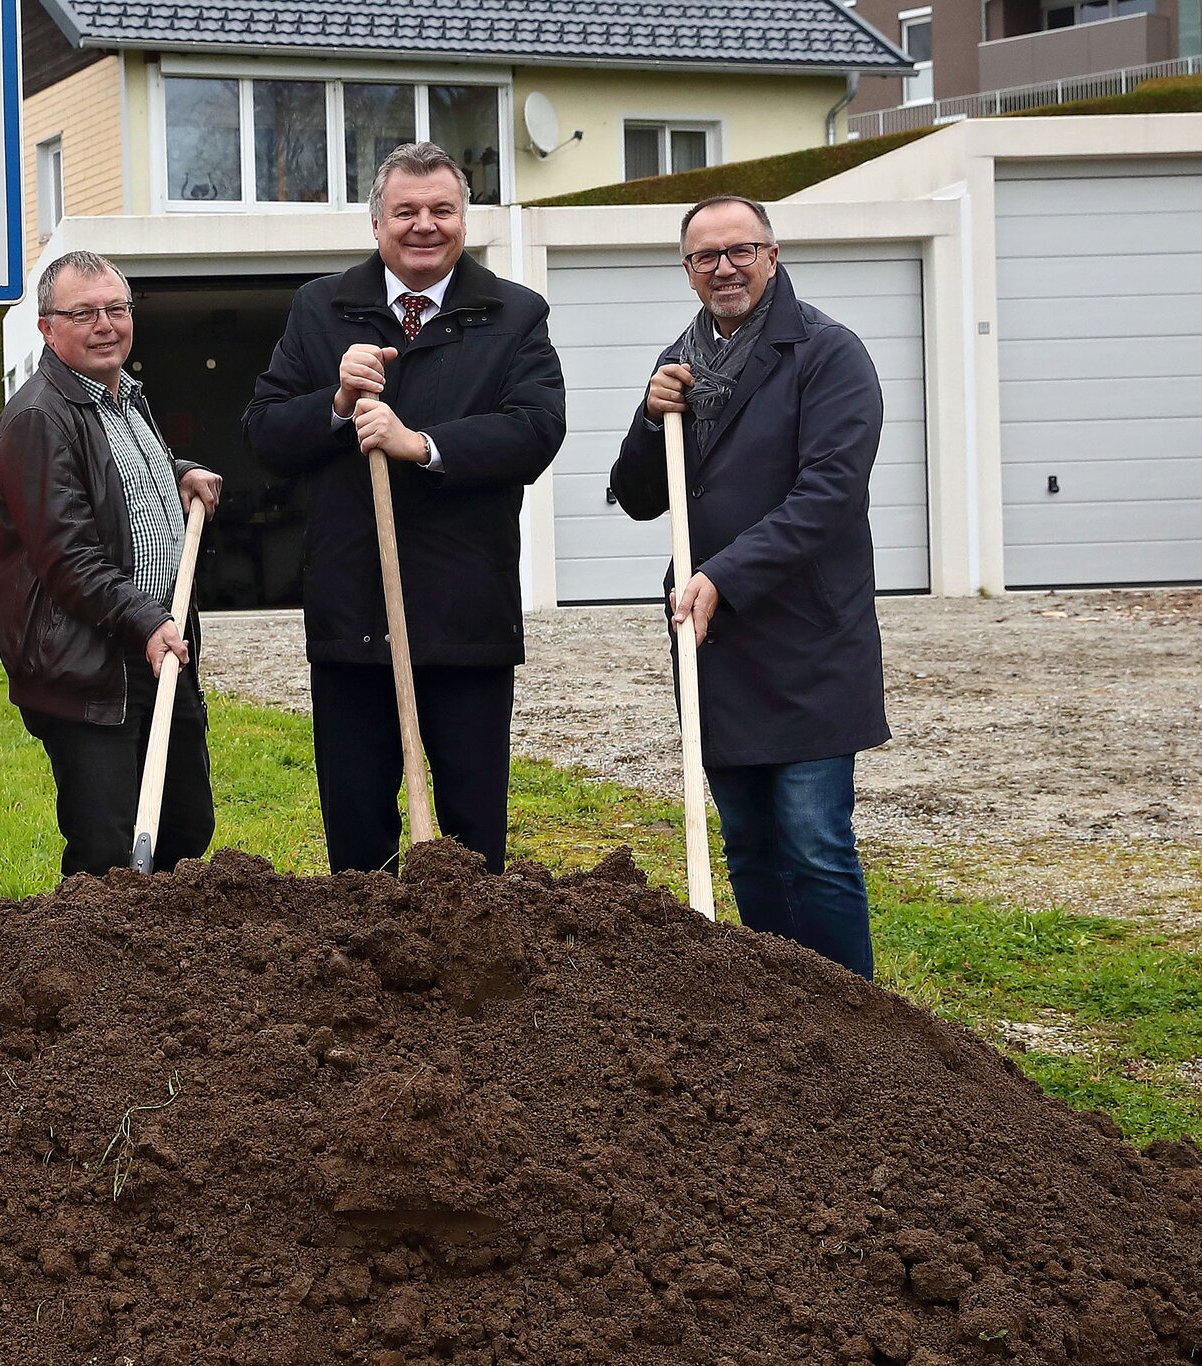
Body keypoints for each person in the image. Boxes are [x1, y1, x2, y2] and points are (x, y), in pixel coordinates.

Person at [242, 141, 565, 875]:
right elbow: (264, 432)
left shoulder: (513, 314)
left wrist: (419, 444)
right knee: (356, 830)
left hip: (466, 613)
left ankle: (471, 968)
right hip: (353, 611)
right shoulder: (322, 308)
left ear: (464, 219)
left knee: (473, 828)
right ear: (377, 224)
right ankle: (363, 978)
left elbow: (536, 431)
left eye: (442, 209)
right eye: (406, 211)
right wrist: (334, 401)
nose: (425, 225)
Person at [609, 194, 889, 978]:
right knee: (751, 849)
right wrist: (646, 414)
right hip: (716, 645)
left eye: (741, 250)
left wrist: (723, 575)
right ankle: (780, 1014)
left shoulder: (829, 354)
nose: (724, 267)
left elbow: (828, 495)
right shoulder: (683, 358)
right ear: (689, 270)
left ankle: (859, 1029)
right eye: (706, 256)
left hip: (806, 639)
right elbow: (638, 496)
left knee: (814, 844)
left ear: (773, 253)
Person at [0, 250, 224, 878]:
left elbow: (114, 485)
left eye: (116, 309)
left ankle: (169, 969)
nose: (105, 324)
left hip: (153, 650)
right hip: (91, 668)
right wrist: (145, 621)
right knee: (108, 854)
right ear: (46, 327)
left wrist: (178, 473)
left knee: (185, 829)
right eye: (83, 313)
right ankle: (88, 976)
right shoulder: (37, 418)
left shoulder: (123, 398)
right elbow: (67, 556)